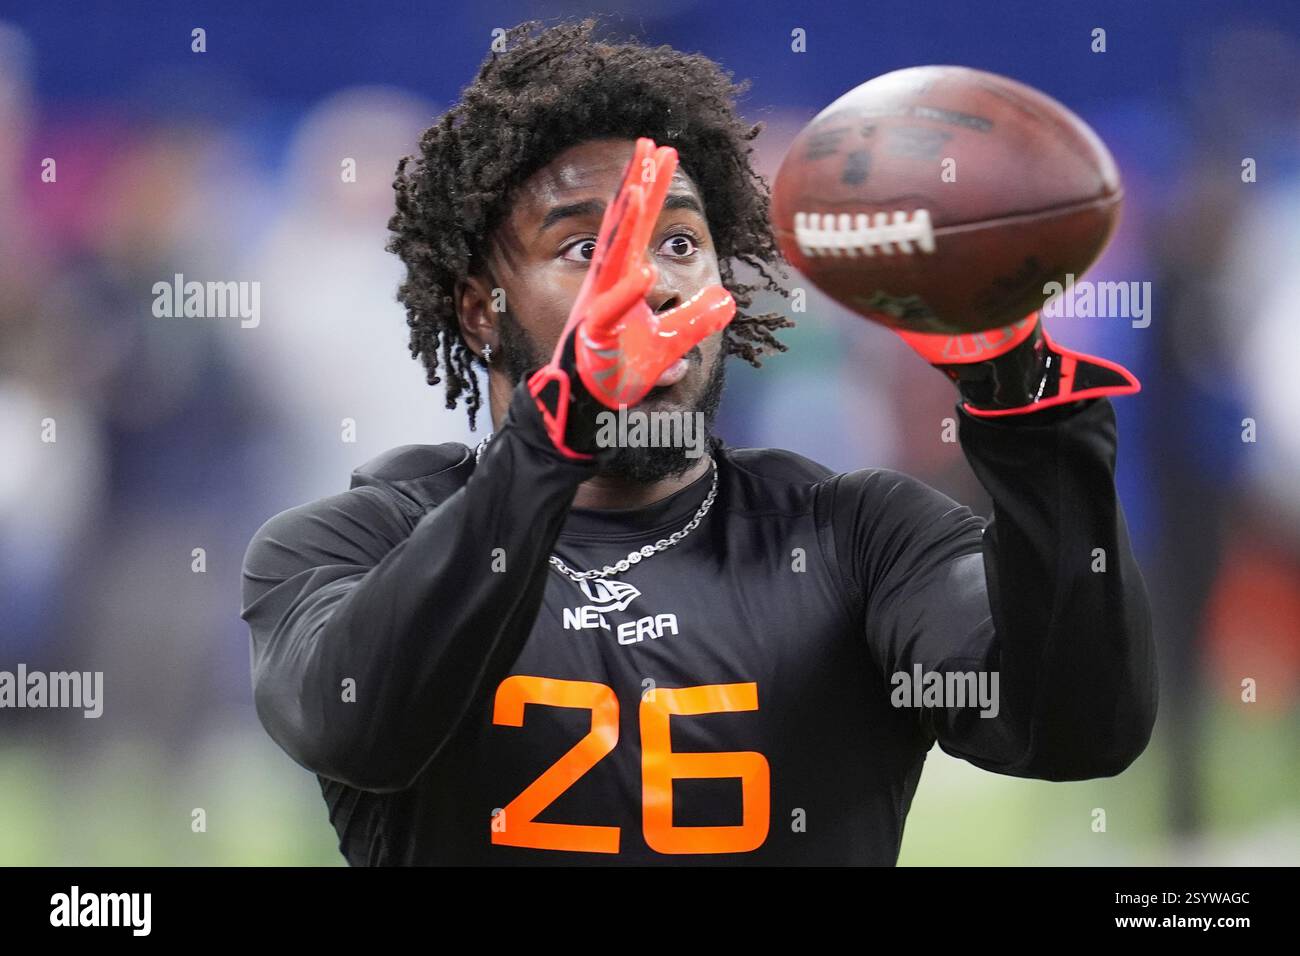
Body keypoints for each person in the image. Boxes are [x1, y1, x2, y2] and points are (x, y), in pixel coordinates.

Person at [240, 20, 1156, 865]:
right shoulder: (351, 542)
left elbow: (1077, 729)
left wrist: (1018, 392)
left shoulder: (854, 537)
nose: (645, 283)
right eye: (582, 251)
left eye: (679, 243)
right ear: (482, 310)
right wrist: (560, 426)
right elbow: (364, 726)